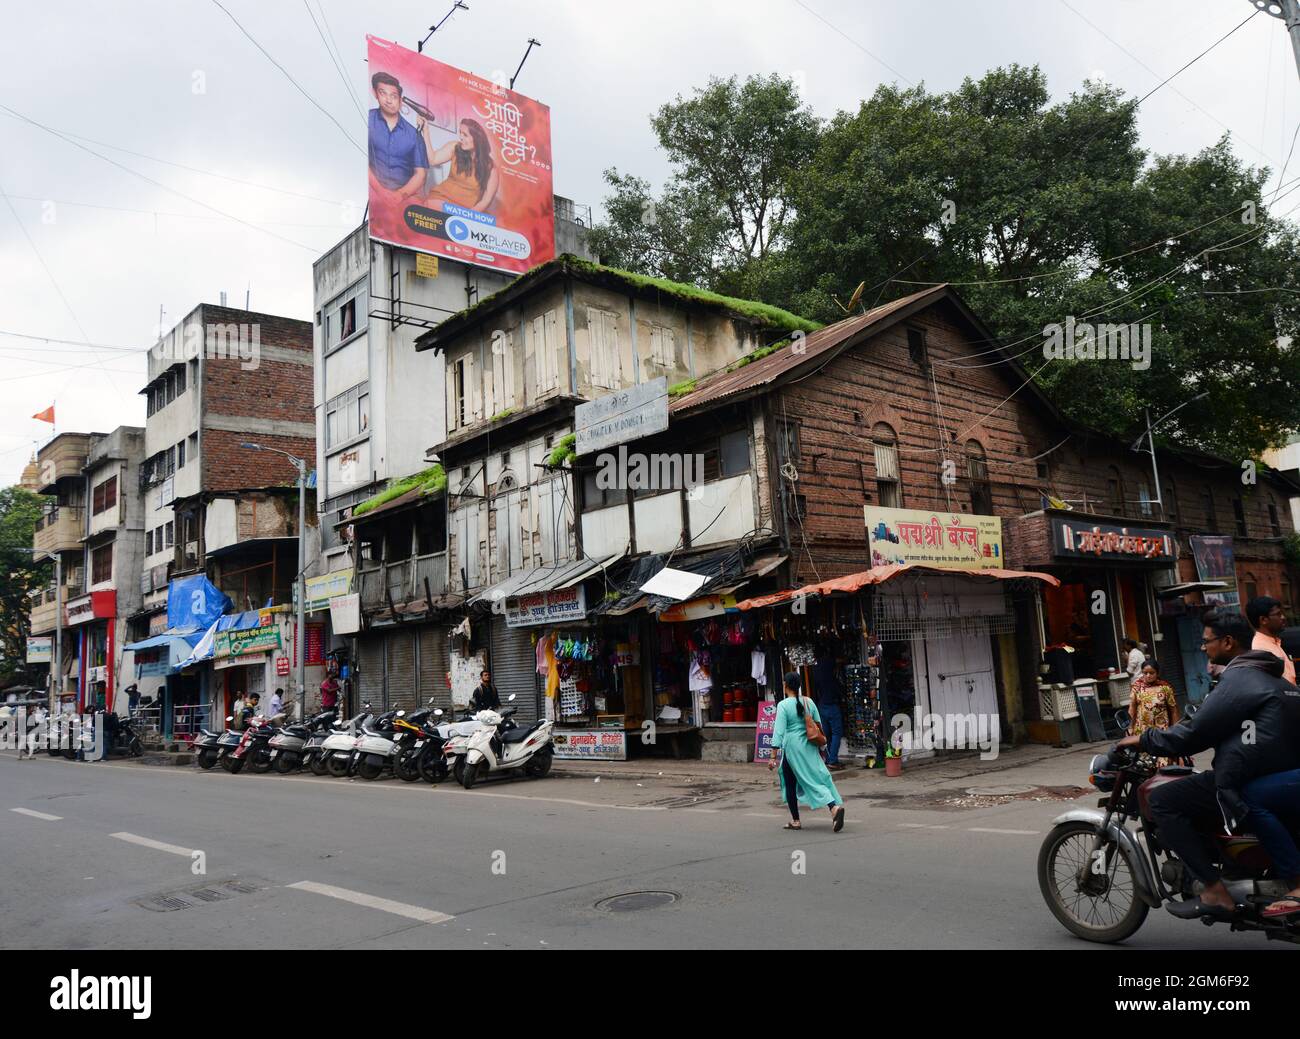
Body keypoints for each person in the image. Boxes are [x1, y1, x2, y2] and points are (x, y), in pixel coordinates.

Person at [1118, 609, 1300, 919]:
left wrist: (1143, 739)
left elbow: (1194, 733)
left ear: (1228, 642)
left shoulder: (1240, 678)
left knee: (1163, 799)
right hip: (1273, 771)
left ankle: (1215, 892)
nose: (1204, 647)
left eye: (1207, 641)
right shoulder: (1271, 675)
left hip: (1252, 777)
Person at [767, 672, 845, 831]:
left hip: (792, 748)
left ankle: (831, 809)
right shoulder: (808, 701)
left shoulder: (783, 705)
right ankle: (829, 809)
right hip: (809, 746)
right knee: (814, 777)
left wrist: (773, 756)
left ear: (785, 685)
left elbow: (779, 731)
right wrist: (822, 748)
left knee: (795, 783)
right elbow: (818, 724)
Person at [367, 72, 429, 199]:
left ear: (400, 100)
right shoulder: (367, 119)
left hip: (405, 196)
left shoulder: (414, 134)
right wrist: (380, 191)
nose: (389, 100)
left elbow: (421, 174)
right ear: (375, 93)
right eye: (383, 93)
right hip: (372, 189)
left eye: (393, 96)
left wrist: (399, 196)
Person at [423, 118, 499, 211]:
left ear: (477, 138)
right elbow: (433, 160)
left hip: (465, 211)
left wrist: (469, 216)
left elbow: (486, 200)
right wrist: (425, 131)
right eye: (460, 133)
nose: (461, 137)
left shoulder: (490, 167)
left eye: (465, 135)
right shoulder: (455, 147)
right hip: (441, 199)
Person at [1126, 660, 1180, 767]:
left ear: (1158, 673)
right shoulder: (1137, 688)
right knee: (1144, 764)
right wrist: (1130, 728)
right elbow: (1132, 708)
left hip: (1161, 732)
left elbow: (1173, 710)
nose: (1148, 676)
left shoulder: (1165, 688)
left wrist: (1176, 729)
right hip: (1142, 731)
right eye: (1145, 673)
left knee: (1163, 763)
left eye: (1152, 673)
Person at [1246, 595, 1296, 685]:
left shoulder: (1273, 642)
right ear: (1263, 620)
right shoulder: (1262, 650)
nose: (1283, 617)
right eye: (1278, 614)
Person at [812, 648, 845, 770]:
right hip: (831, 704)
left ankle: (828, 758)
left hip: (821, 705)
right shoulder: (828, 665)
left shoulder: (815, 669)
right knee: (837, 733)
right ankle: (833, 760)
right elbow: (839, 660)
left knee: (826, 734)